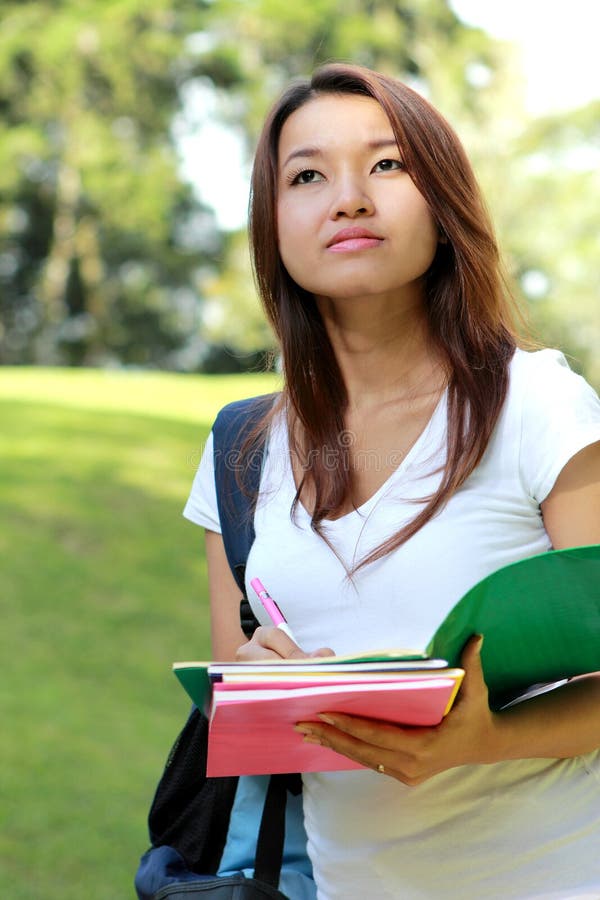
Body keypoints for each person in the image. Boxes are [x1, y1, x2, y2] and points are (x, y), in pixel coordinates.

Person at [184, 63, 600, 900]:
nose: (348, 197)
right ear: (274, 226)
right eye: (307, 175)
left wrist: (480, 740)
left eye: (388, 164)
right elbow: (234, 723)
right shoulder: (241, 448)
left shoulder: (540, 405)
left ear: (443, 209)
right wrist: (265, 689)